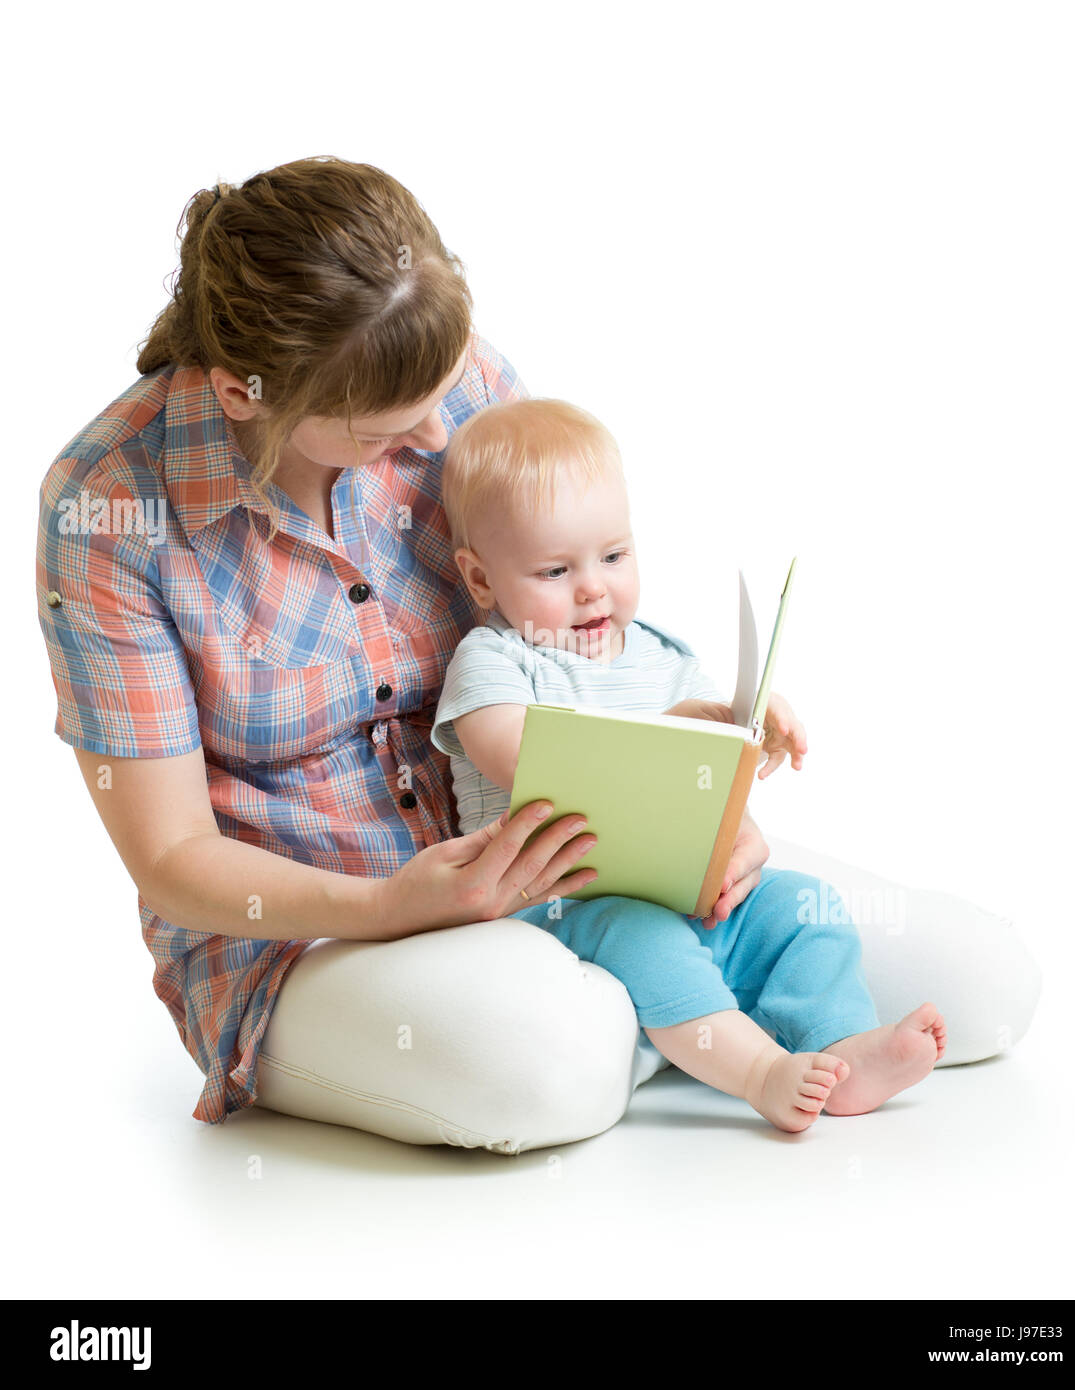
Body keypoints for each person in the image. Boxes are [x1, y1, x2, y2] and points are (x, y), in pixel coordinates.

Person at [35, 155, 957, 1155]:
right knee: (552, 1066)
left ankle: (712, 1009)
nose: (441, 430)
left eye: (445, 387)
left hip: (569, 865)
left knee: (981, 986)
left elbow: (572, 617)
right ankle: (696, 1022)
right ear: (242, 393)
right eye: (390, 431)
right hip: (317, 935)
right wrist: (396, 902)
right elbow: (172, 861)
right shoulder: (111, 509)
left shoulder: (435, 363)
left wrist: (701, 814)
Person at [430, 398, 947, 1132]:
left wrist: (754, 722)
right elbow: (526, 757)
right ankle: (761, 1072)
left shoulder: (661, 655)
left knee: (806, 905)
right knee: (644, 936)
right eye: (554, 569)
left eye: (613, 555)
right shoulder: (495, 663)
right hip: (564, 907)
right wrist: (672, 729)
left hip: (689, 891)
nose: (591, 587)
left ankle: (838, 1045)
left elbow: (716, 755)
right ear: (481, 581)